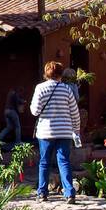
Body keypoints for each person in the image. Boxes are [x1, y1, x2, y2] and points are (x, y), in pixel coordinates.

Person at [30, 60, 81, 201]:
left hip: (45, 132)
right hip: (64, 131)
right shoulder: (67, 89)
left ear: (46, 73)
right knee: (64, 161)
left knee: (44, 161)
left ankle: (42, 193)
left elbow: (35, 111)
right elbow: (75, 113)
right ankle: (69, 193)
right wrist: (76, 130)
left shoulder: (40, 88)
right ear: (60, 73)